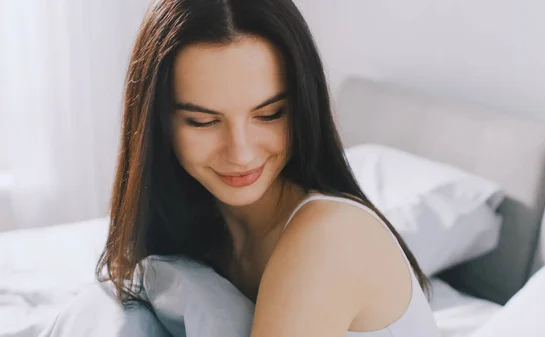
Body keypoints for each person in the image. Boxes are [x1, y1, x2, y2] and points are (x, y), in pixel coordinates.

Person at [96, 0, 441, 336]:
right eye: (203, 121)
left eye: (269, 114)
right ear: (158, 124)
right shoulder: (198, 232)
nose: (241, 153)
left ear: (302, 107)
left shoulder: (331, 236)